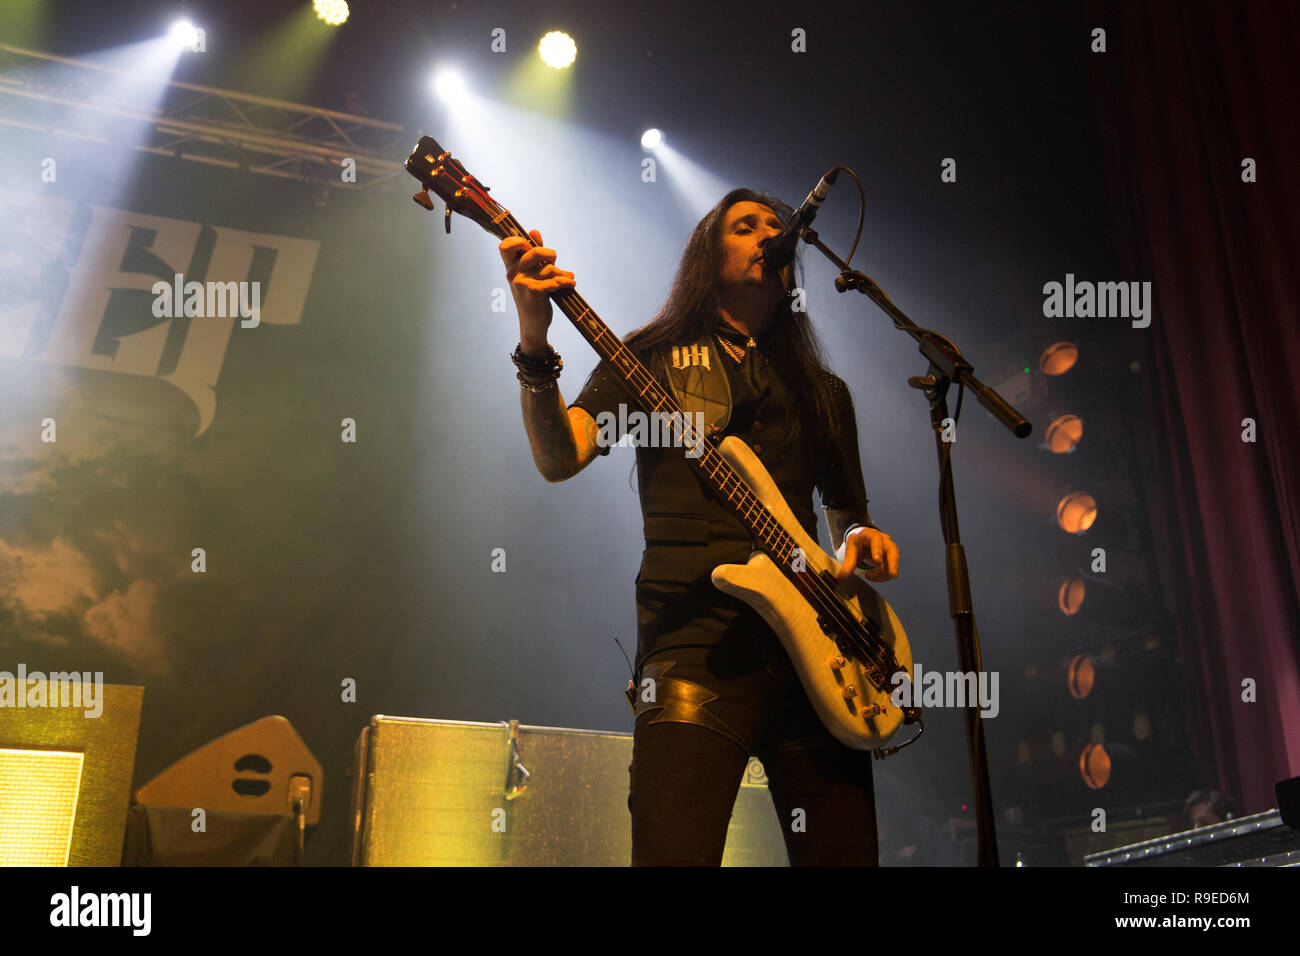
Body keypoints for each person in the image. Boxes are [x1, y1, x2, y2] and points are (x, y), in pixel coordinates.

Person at [498, 188, 901, 866]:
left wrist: (862, 541)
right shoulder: (648, 359)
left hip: (817, 653)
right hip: (694, 650)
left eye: (778, 228)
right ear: (707, 258)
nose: (768, 236)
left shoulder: (822, 391)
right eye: (746, 227)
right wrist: (535, 344)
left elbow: (847, 522)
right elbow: (559, 456)